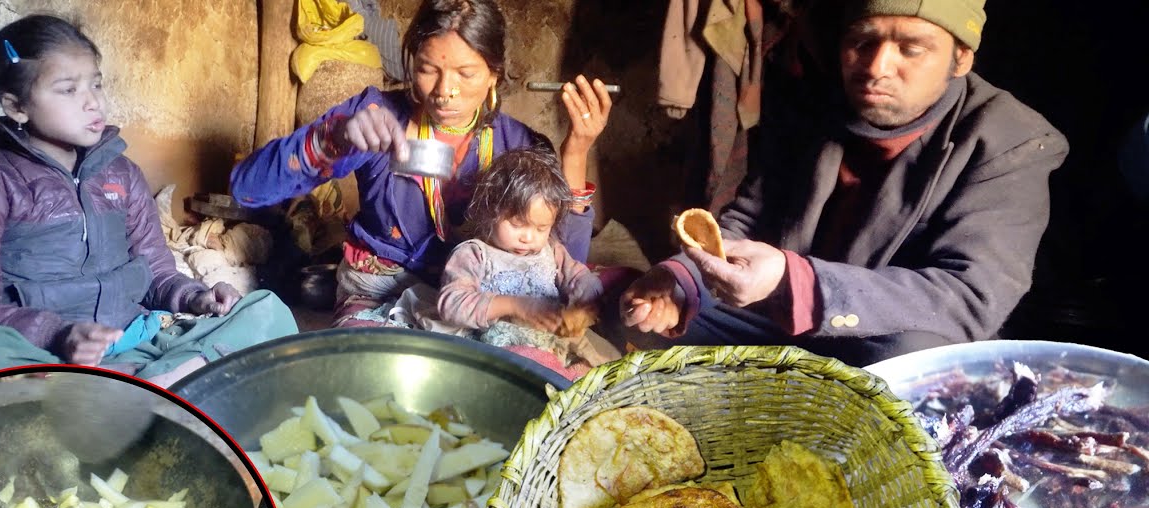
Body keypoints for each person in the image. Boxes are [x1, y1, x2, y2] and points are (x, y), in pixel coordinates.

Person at [620, 0, 1069, 367]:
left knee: (910, 356)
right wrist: (684, 279)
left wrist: (797, 282)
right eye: (862, 41)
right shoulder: (817, 102)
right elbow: (751, 214)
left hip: (881, 334)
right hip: (784, 316)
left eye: (911, 49)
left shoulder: (1013, 143)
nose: (876, 67)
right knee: (627, 307)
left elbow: (968, 297)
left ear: (961, 58)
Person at [0, 15, 297, 394]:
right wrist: (58, 333)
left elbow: (157, 273)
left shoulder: (122, 175)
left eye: (96, 84)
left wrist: (196, 297)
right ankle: (167, 394)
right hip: (45, 358)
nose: (93, 102)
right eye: (68, 90)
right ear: (16, 106)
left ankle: (140, 392)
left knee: (267, 310)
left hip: (140, 344)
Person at [230, 0, 612, 326]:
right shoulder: (376, 118)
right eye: (428, 69)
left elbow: (565, 264)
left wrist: (576, 152)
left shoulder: (517, 145)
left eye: (466, 73)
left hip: (476, 295)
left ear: (494, 73)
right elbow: (247, 188)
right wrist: (334, 138)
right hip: (378, 288)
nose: (445, 91)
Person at [432, 146, 610, 378]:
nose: (528, 237)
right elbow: (451, 303)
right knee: (536, 368)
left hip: (553, 343)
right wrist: (515, 305)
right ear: (490, 211)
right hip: (499, 349)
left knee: (600, 370)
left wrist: (587, 300)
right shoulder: (475, 254)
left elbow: (579, 277)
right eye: (517, 224)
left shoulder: (551, 250)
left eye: (541, 228)